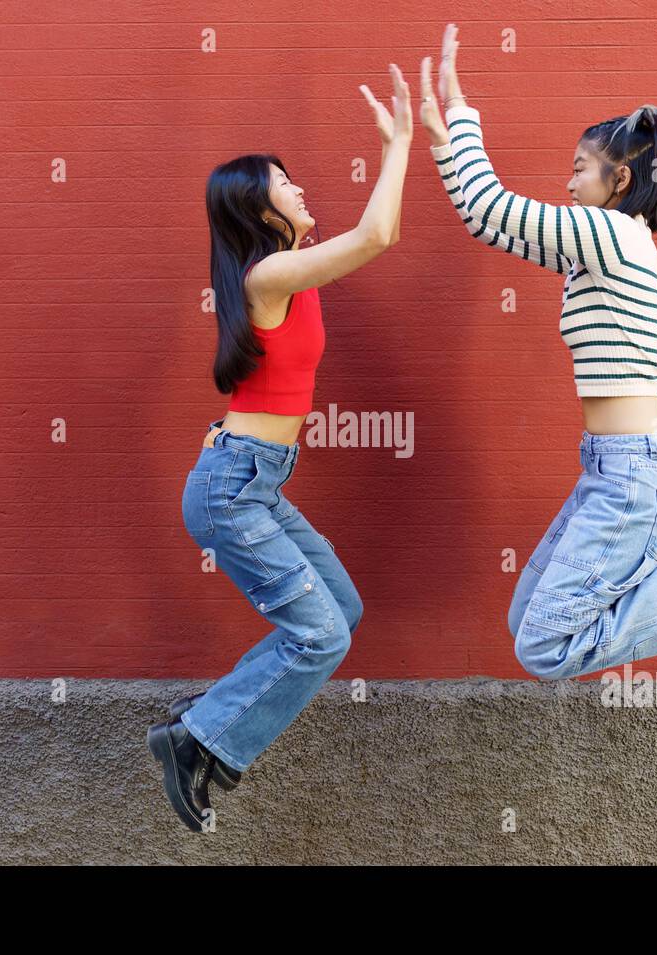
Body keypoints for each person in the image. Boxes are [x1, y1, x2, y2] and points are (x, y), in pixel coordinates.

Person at [420, 23, 657, 680]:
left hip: (635, 478)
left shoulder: (613, 234)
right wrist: (454, 128)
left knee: (543, 646)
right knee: (526, 621)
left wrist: (457, 119)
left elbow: (488, 206)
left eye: (577, 169)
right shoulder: (601, 244)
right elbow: (491, 225)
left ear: (620, 177)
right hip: (613, 471)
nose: (566, 185)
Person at [149, 64, 414, 831]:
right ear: (255, 209)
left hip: (250, 480)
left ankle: (207, 721)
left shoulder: (286, 274)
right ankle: (200, 739)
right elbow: (381, 234)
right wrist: (399, 144)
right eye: (282, 182)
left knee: (342, 610)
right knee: (320, 634)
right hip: (235, 488)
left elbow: (269, 374)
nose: (299, 189)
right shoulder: (271, 273)